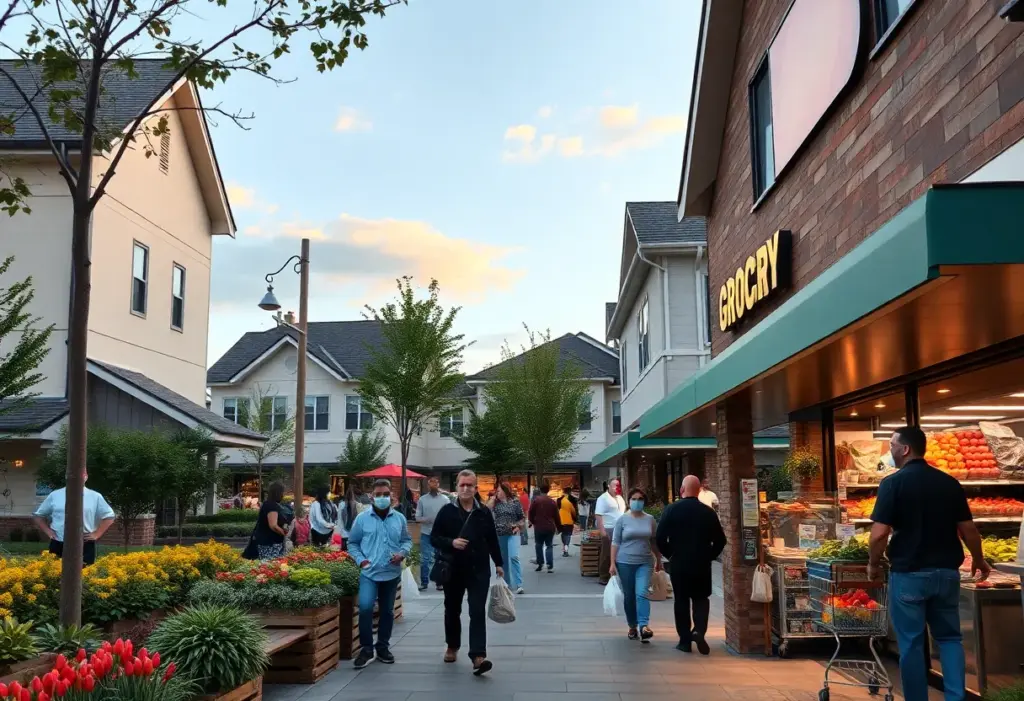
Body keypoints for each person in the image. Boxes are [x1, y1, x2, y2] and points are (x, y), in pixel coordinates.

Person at [869, 426, 989, 701]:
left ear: (905, 449)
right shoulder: (949, 482)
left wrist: (873, 565)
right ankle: (956, 697)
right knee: (949, 639)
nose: (890, 449)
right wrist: (979, 559)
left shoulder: (892, 483)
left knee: (911, 643)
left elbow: (878, 535)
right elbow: (969, 529)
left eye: (892, 444)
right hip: (946, 574)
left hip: (909, 574)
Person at [431, 469, 503, 675]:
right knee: (452, 609)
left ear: (475, 488)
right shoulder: (446, 511)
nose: (465, 488)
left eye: (469, 485)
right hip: (453, 569)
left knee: (477, 610)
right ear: (456, 487)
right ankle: (452, 646)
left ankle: (478, 656)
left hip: (478, 569)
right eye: (462, 485)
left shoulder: (483, 512)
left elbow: (492, 539)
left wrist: (499, 563)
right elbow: (434, 538)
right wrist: (451, 542)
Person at [656, 475, 727, 654]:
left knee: (681, 601)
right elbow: (721, 540)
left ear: (681, 490)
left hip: (679, 563)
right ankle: (699, 631)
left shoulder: (671, 510)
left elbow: (659, 538)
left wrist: (670, 554)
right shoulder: (708, 512)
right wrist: (709, 555)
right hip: (701, 564)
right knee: (701, 599)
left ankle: (684, 641)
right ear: (699, 491)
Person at [348, 479, 412, 669]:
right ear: (372, 496)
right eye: (378, 495)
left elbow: (406, 540)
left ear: (391, 495)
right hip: (369, 572)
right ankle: (366, 649)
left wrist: (402, 553)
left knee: (386, 611)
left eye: (385, 494)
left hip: (391, 573)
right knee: (366, 608)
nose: (382, 498)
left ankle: (382, 647)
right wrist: (361, 560)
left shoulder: (399, 518)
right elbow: (352, 543)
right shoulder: (362, 518)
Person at [610, 487, 662, 643]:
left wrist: (659, 559)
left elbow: (653, 541)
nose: (637, 502)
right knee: (629, 596)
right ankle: (632, 625)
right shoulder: (622, 520)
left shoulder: (650, 519)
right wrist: (612, 563)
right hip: (624, 562)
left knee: (641, 593)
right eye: (634, 499)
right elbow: (615, 542)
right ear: (629, 501)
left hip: (645, 562)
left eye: (640, 499)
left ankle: (644, 625)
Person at [33, 469, 115, 566]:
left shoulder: (95, 496)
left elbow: (109, 516)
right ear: (67, 476)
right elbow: (38, 516)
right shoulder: (55, 495)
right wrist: (49, 532)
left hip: (85, 544)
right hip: (59, 542)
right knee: (55, 574)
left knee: (84, 576)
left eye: (82, 474)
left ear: (86, 477)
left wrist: (97, 534)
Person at [416, 477, 449, 592]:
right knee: (425, 558)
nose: (433, 487)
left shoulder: (445, 499)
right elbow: (417, 517)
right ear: (428, 486)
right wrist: (426, 519)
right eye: (431, 485)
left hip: (440, 534)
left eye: (435, 484)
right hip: (426, 533)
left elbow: (450, 515)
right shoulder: (422, 500)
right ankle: (424, 582)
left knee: (440, 558)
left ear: (438, 484)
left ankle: (439, 582)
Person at [491, 482, 526, 593]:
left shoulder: (515, 502)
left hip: (513, 533)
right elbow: (486, 510)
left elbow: (522, 518)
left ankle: (519, 584)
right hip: (500, 534)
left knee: (514, 557)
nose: (498, 493)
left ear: (505, 491)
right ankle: (506, 583)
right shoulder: (495, 503)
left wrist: (518, 526)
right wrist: (492, 498)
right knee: (503, 560)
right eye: (497, 491)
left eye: (499, 491)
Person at [595, 478, 626, 584]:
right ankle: (604, 576)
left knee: (619, 552)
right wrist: (602, 531)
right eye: (614, 485)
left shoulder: (620, 498)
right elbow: (598, 515)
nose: (616, 488)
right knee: (607, 553)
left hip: (620, 529)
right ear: (608, 485)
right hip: (608, 528)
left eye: (618, 485)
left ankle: (616, 574)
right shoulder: (603, 498)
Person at [247, 481, 289, 560]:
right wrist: (283, 533)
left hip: (270, 542)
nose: (284, 495)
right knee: (271, 565)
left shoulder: (269, 504)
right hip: (269, 543)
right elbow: (273, 525)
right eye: (283, 492)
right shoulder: (271, 505)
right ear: (278, 493)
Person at [529, 482, 559, 572]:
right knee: (549, 545)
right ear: (548, 490)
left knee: (538, 545)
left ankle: (540, 563)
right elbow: (556, 516)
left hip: (539, 526)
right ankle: (549, 564)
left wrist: (533, 522)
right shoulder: (552, 502)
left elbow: (531, 512)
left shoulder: (536, 501)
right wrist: (559, 527)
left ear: (540, 490)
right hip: (550, 526)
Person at [557, 489, 578, 557]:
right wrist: (575, 519)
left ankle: (564, 547)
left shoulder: (558, 501)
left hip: (560, 522)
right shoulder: (569, 502)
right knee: (568, 536)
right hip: (568, 522)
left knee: (563, 534)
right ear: (569, 493)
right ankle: (566, 550)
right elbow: (574, 512)